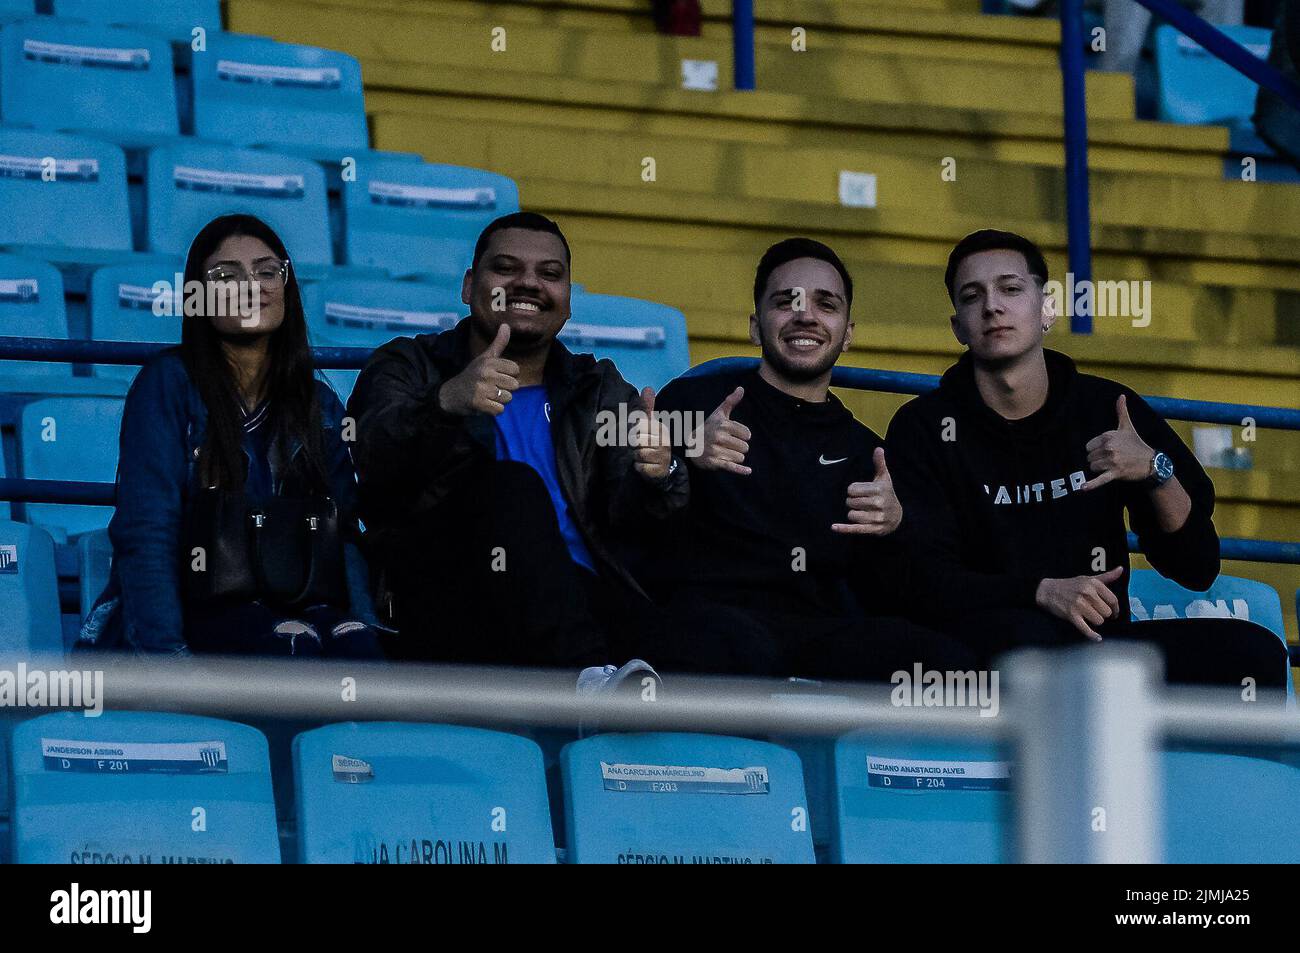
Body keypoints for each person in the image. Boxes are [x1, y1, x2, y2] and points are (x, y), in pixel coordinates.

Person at [885, 228, 1287, 690]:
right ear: (958, 326)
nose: (992, 306)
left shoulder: (1106, 408)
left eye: (1011, 289)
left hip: (1104, 646)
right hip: (995, 647)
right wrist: (1040, 591)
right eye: (972, 296)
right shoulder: (925, 428)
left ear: (1047, 308)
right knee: (1024, 639)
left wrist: (1154, 471)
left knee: (1253, 654)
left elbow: (1198, 567)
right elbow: (925, 582)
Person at [347, 211, 687, 671]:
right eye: (506, 268)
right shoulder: (410, 365)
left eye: (550, 275)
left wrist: (661, 473)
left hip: (581, 596)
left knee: (721, 637)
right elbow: (371, 457)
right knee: (514, 489)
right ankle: (588, 682)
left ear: (567, 302)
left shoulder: (598, 388)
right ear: (469, 286)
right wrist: (444, 403)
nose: (529, 283)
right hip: (452, 598)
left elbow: (637, 519)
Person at [634, 238, 978, 680]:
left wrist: (896, 526)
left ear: (848, 333)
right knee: (730, 645)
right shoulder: (692, 402)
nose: (806, 316)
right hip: (704, 623)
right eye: (786, 302)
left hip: (820, 635)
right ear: (756, 327)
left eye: (826, 304)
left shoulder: (866, 452)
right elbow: (630, 527)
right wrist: (679, 460)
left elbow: (899, 587)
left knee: (952, 668)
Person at [80, 214, 380, 658]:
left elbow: (344, 537)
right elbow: (147, 532)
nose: (250, 285)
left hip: (297, 606)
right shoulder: (167, 384)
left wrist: (364, 628)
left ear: (287, 287)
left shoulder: (318, 403)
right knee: (287, 647)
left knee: (354, 649)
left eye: (266, 271)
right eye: (225, 275)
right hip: (194, 611)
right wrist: (167, 660)